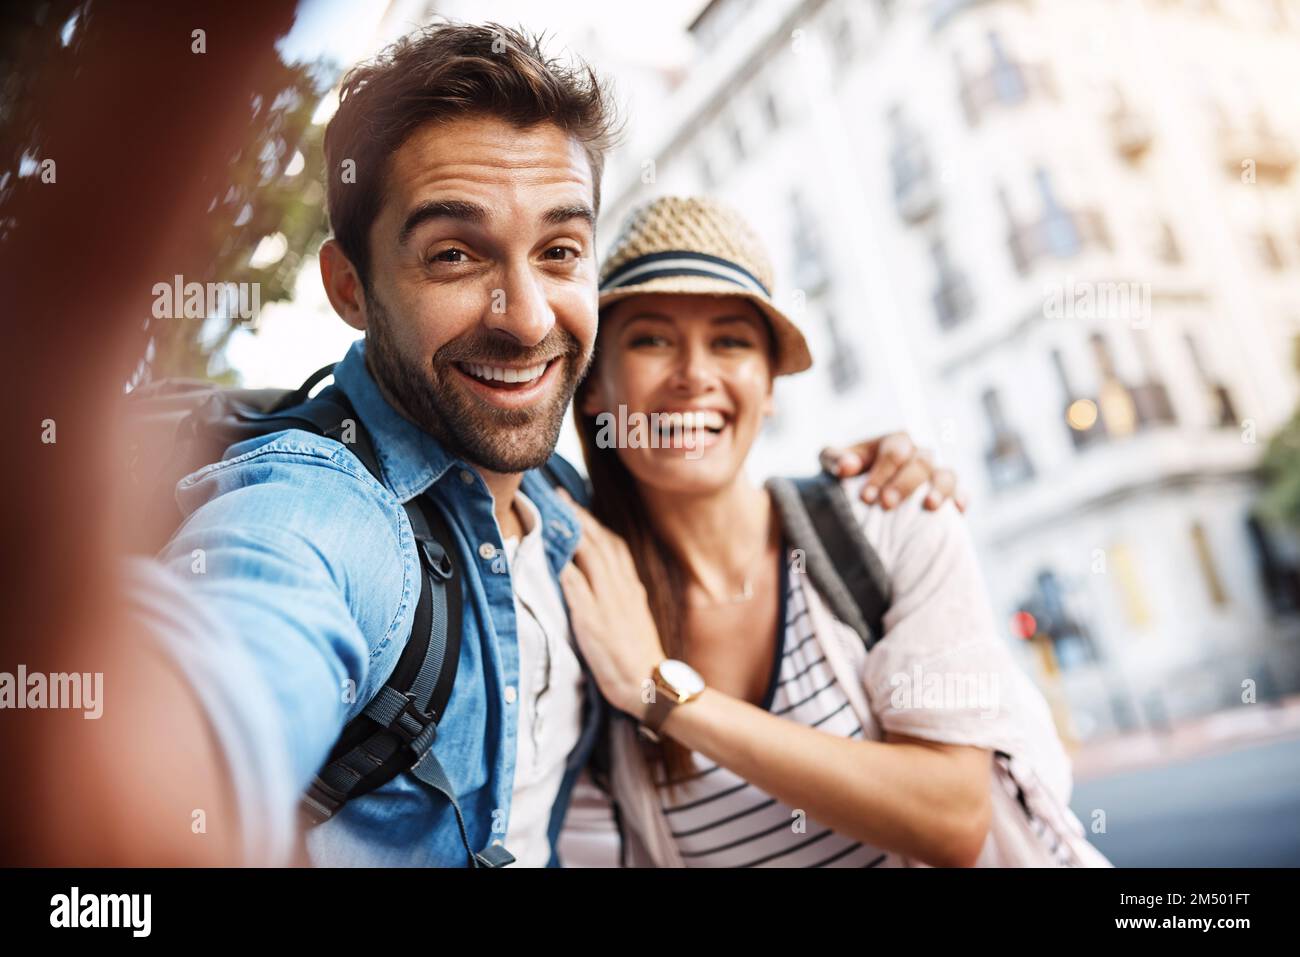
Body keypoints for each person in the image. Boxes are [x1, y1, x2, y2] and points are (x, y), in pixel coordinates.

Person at [132, 23, 961, 866]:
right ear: (351, 286)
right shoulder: (327, 510)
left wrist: (893, 466)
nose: (527, 318)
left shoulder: (571, 516)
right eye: (455, 255)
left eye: (560, 251)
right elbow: (212, 695)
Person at [558, 196, 1110, 867]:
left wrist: (668, 696)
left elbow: (952, 819)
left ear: (769, 386)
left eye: (730, 341)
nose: (694, 375)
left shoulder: (889, 515)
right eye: (650, 339)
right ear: (592, 387)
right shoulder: (583, 608)